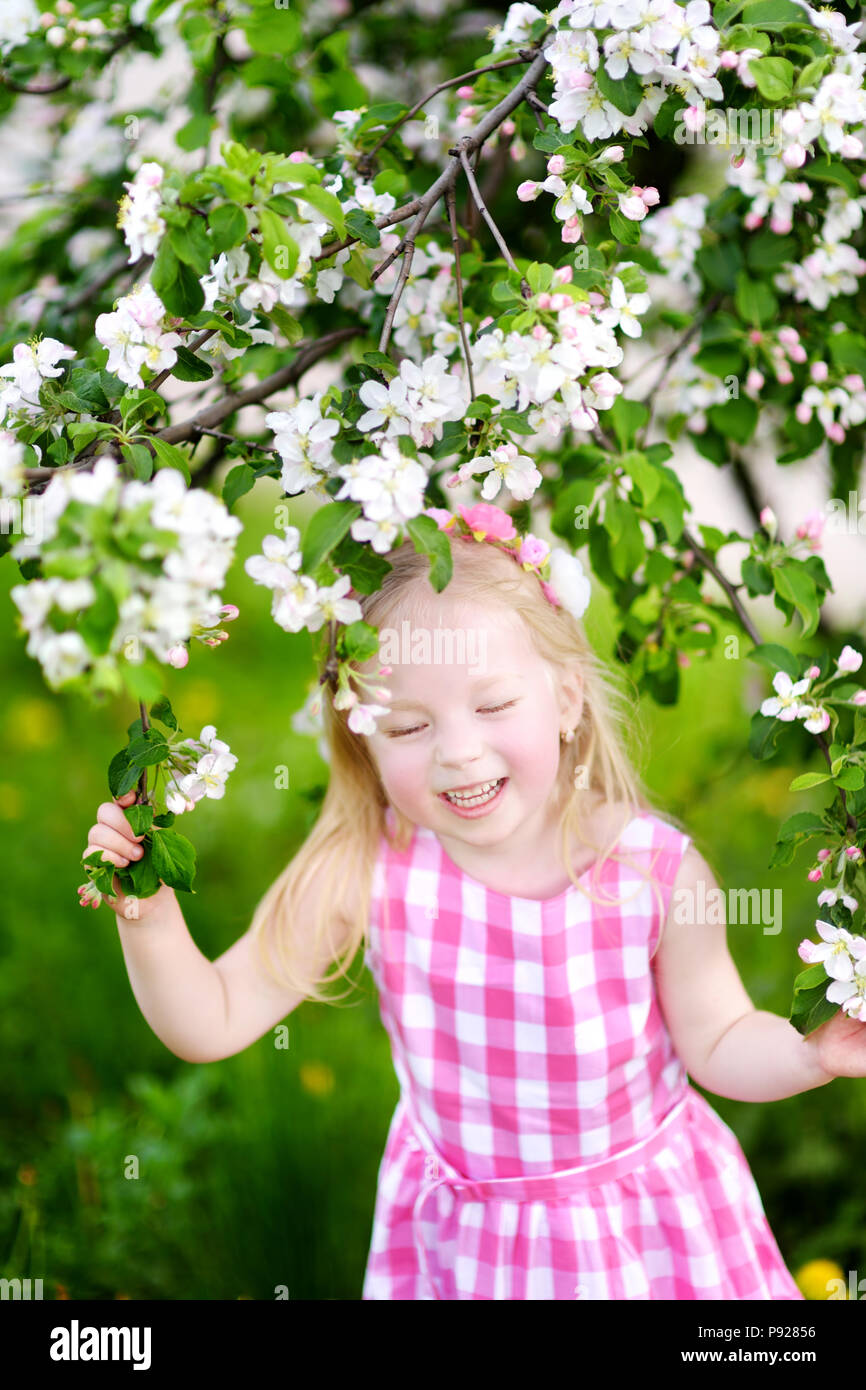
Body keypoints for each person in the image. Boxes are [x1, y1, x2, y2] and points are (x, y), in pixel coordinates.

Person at [84, 503, 852, 1301]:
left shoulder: (653, 873)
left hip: (639, 1238)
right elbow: (210, 1019)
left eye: (492, 706)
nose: (458, 751)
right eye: (409, 725)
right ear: (362, 739)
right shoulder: (368, 866)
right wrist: (149, 914)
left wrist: (808, 1053)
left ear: (565, 698)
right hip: (463, 1249)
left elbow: (720, 1039)